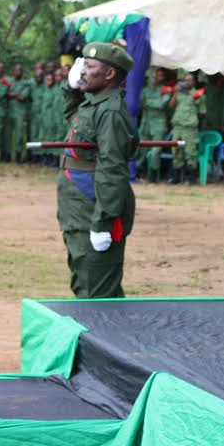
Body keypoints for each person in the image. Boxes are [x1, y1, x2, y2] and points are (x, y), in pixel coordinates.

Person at [58, 42, 138, 298]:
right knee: (85, 282)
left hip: (94, 209)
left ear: (110, 74)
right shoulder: (93, 105)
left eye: (89, 66)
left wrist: (103, 222)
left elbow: (112, 169)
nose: (82, 71)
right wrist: (72, 89)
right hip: (79, 210)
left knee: (98, 293)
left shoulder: (110, 112)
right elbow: (73, 116)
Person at [168, 73, 205, 185]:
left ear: (194, 82)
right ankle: (176, 178)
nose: (187, 82)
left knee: (190, 153)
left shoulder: (198, 94)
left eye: (189, 80)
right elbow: (171, 105)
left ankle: (192, 179)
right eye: (185, 80)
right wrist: (175, 92)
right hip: (177, 126)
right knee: (176, 151)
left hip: (189, 127)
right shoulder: (179, 93)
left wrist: (191, 118)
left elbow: (202, 113)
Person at [138, 68, 174, 183]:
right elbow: (140, 103)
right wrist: (154, 102)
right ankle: (139, 173)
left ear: (163, 78)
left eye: (159, 76)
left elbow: (162, 104)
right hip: (145, 124)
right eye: (154, 75)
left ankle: (153, 177)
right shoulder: (145, 90)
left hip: (158, 125)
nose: (156, 78)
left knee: (155, 152)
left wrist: (148, 102)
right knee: (141, 150)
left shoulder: (166, 90)